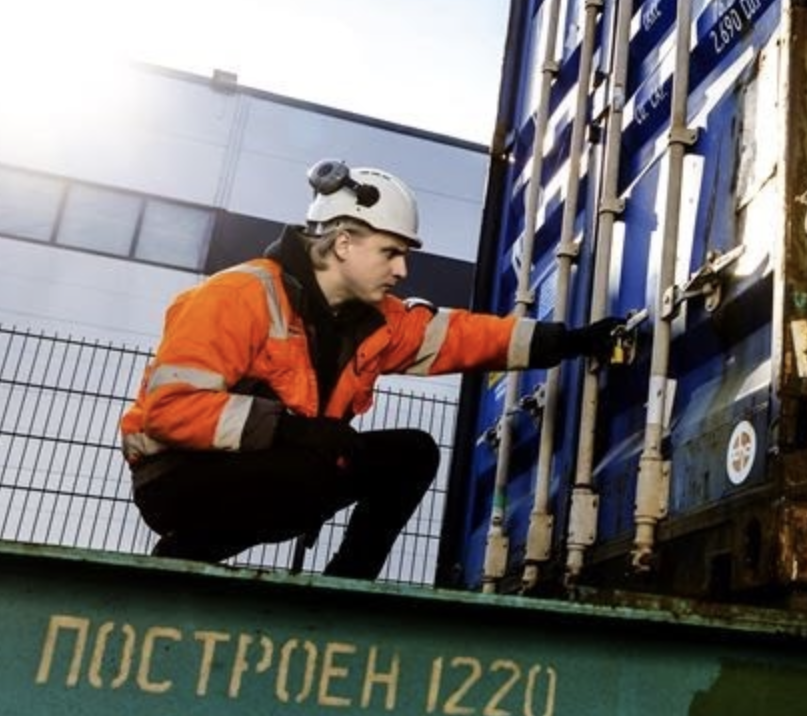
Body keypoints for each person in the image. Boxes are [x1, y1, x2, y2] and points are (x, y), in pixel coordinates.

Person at [120, 160, 619, 580]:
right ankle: (186, 554)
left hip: (283, 470)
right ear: (342, 244)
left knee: (411, 453)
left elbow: (462, 337)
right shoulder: (236, 295)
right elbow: (170, 410)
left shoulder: (376, 321)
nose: (402, 270)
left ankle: (348, 585)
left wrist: (569, 340)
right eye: (391, 252)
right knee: (313, 459)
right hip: (178, 480)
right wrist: (292, 431)